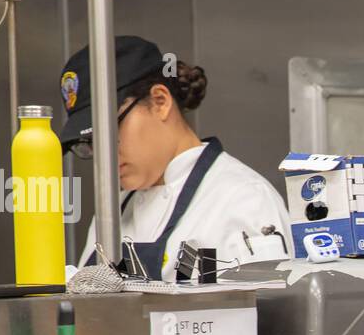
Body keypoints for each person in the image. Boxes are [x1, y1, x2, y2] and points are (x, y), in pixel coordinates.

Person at [59, 36, 290, 280]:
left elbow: (270, 314)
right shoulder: (111, 215)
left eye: (110, 132)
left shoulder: (244, 201)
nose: (103, 154)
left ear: (160, 101)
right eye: (91, 143)